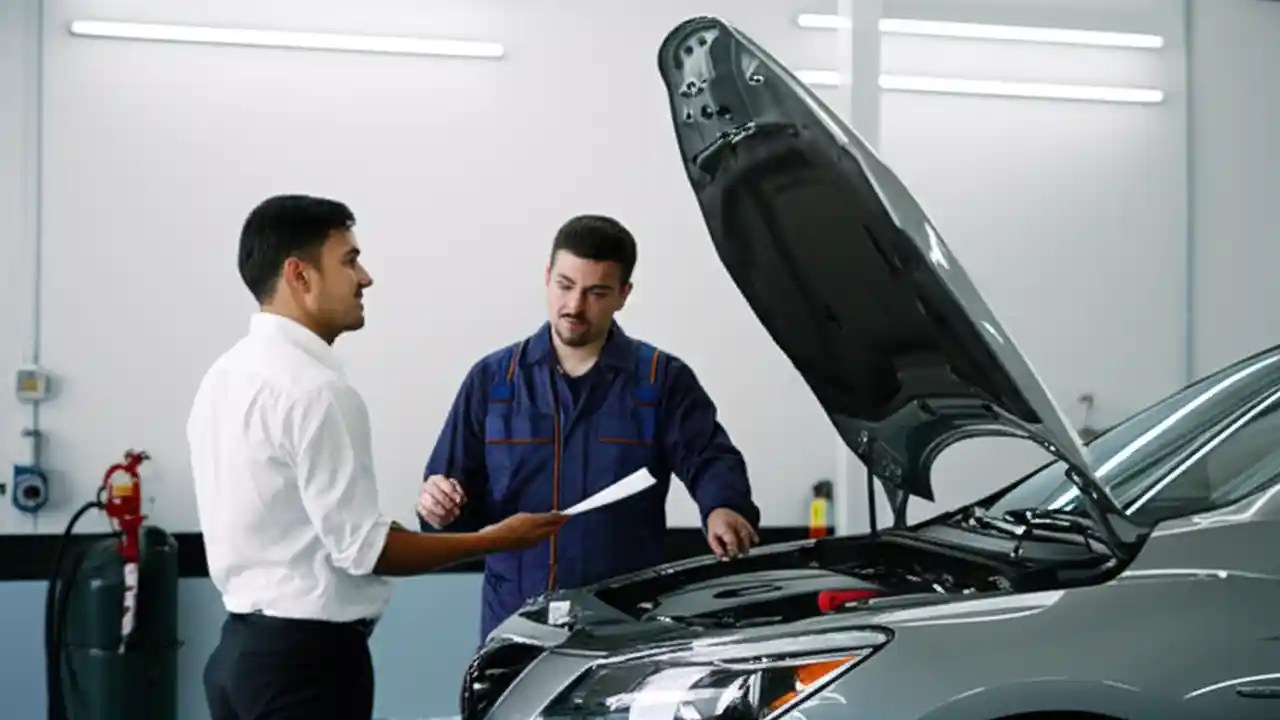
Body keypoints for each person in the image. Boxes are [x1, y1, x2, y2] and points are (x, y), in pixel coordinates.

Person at [186, 194, 567, 720]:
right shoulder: (315, 392)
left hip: (238, 660)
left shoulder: (222, 377)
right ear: (300, 275)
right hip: (306, 670)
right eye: (349, 260)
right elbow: (365, 551)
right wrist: (499, 539)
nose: (365, 278)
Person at [417, 213, 761, 642]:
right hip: (514, 622)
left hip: (623, 619)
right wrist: (437, 506)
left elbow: (709, 457)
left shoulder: (660, 379)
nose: (574, 306)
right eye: (565, 285)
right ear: (546, 277)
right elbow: (447, 493)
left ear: (623, 294)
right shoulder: (492, 381)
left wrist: (723, 506)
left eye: (596, 292)